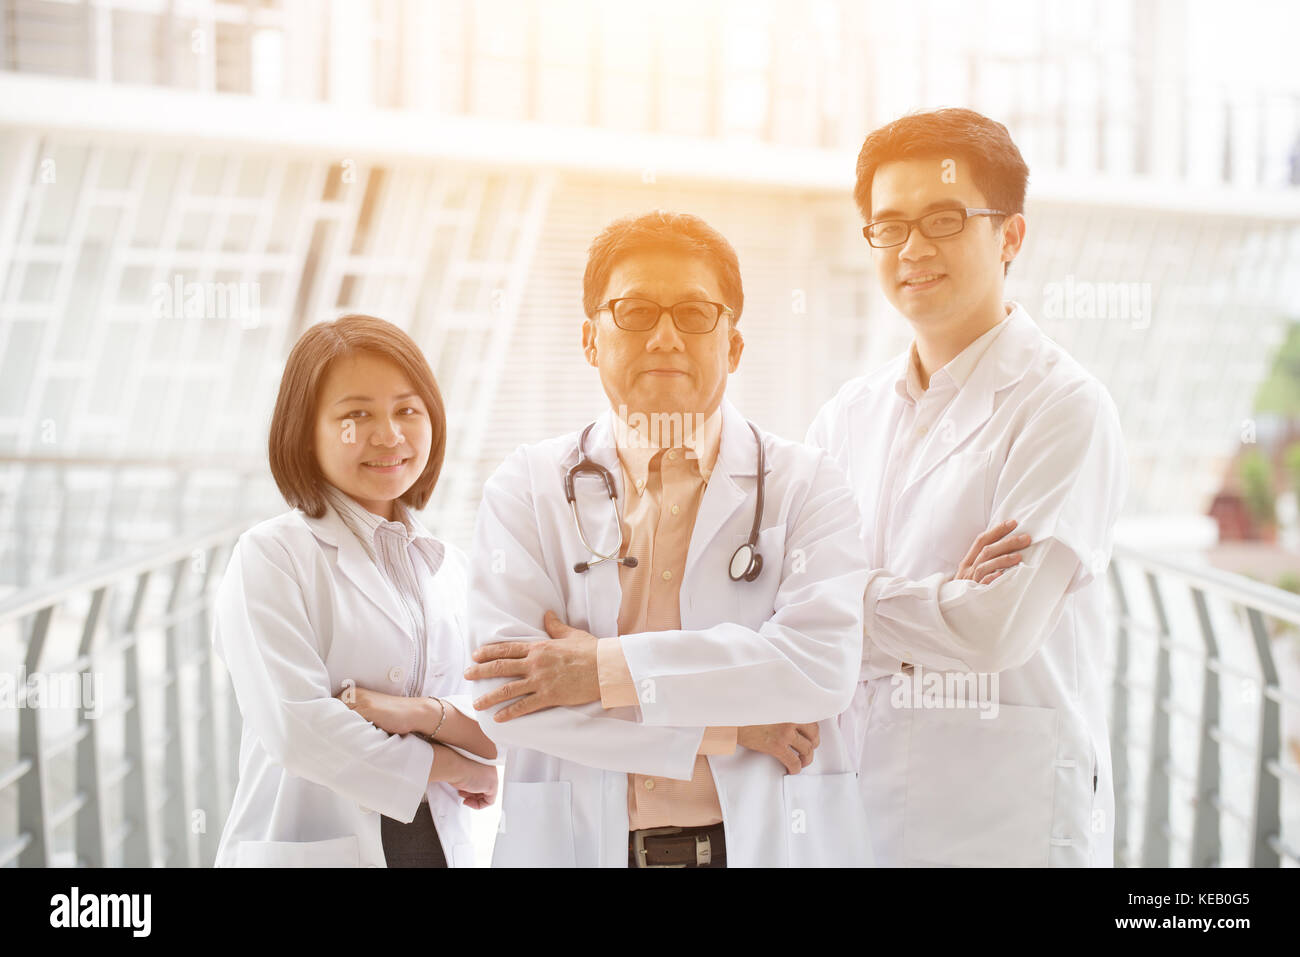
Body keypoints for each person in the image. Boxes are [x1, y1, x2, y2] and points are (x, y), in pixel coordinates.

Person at [464, 211, 872, 867]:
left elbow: (818, 669)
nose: (663, 337)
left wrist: (597, 670)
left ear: (733, 345)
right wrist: (726, 726)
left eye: (693, 313)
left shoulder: (806, 485)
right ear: (590, 338)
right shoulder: (527, 488)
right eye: (632, 312)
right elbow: (507, 701)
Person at [806, 108, 1128, 867]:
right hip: (857, 817)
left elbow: (995, 630)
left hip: (1004, 826)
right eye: (889, 226)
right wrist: (931, 601)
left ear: (1010, 235)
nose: (912, 248)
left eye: (943, 219)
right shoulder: (845, 418)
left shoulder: (1063, 408)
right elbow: (788, 612)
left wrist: (842, 602)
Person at [212, 314, 498, 868]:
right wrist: (457, 765)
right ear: (305, 429)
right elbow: (299, 730)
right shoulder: (271, 556)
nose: (388, 435)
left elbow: (503, 718)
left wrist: (416, 713)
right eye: (356, 414)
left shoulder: (451, 568)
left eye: (407, 410)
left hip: (439, 848)